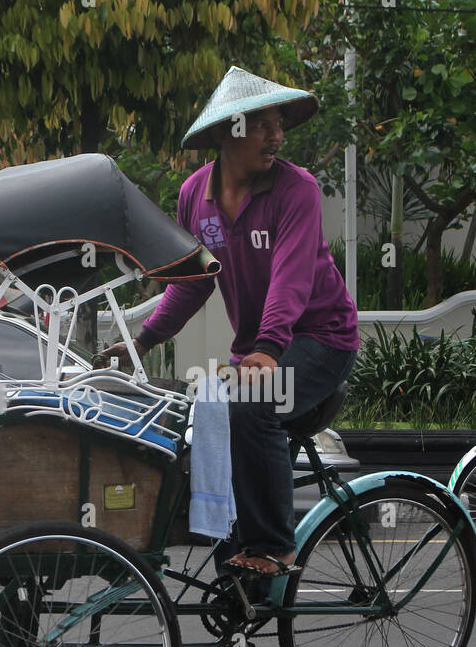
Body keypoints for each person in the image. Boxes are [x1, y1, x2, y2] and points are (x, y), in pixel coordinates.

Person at [99, 66, 359, 576]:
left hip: (319, 341)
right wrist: (143, 341)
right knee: (204, 419)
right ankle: (235, 569)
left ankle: (272, 547)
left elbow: (291, 279)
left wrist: (266, 348)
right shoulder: (195, 196)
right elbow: (193, 282)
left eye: (278, 124)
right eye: (262, 125)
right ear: (227, 132)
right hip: (262, 348)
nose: (276, 136)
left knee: (249, 405)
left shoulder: (296, 190)